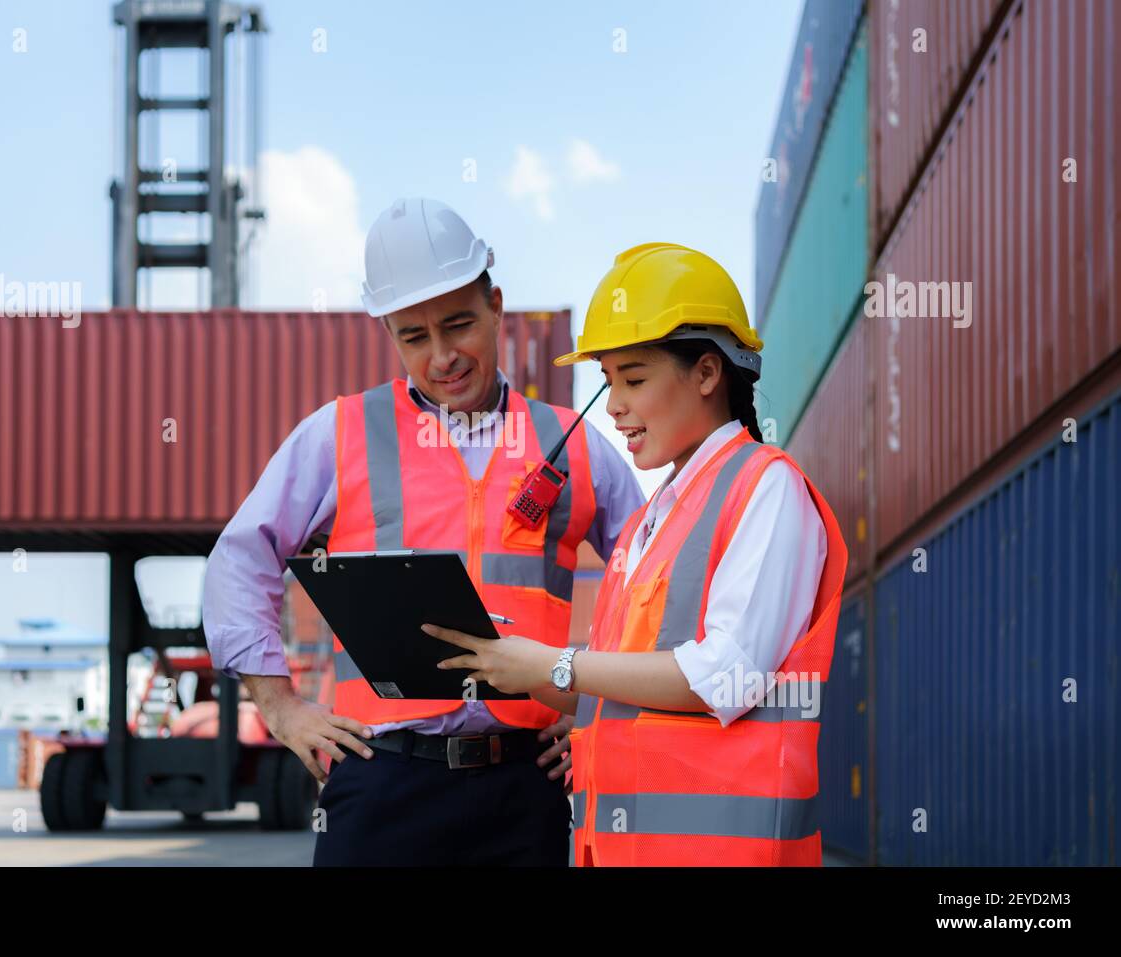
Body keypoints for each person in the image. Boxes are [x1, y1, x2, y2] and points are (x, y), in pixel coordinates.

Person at [202, 198, 645, 866]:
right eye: (414, 336)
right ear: (389, 333)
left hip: (525, 789)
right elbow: (241, 558)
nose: (442, 356)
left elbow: (652, 583)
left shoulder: (572, 443)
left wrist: (599, 712)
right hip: (380, 782)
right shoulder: (342, 432)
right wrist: (282, 707)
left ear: (496, 303)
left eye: (459, 323)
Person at [421, 242, 849, 866]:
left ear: (707, 373)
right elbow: (625, 691)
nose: (614, 405)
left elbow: (724, 677)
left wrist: (556, 665)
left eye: (635, 378)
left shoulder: (767, 486)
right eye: (608, 382)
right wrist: (504, 664)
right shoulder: (658, 517)